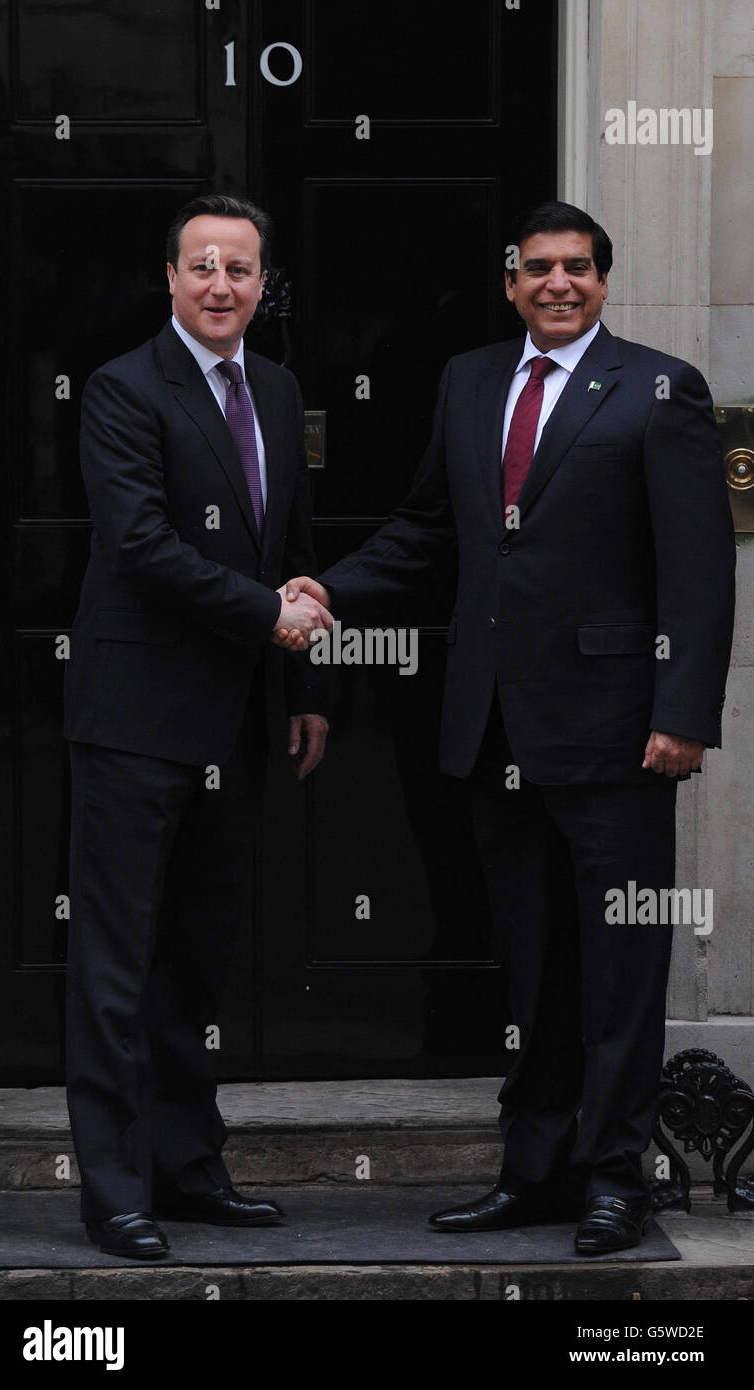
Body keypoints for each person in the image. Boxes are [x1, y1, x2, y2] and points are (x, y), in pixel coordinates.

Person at [277, 201, 736, 1254]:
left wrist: (683, 716)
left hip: (618, 735)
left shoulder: (660, 389)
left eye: (578, 268)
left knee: (618, 968)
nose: (558, 283)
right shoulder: (471, 381)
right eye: (539, 268)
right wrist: (328, 591)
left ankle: (615, 1179)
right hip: (494, 731)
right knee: (531, 966)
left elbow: (699, 573)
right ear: (510, 280)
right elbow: (430, 530)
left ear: (603, 281)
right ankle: (534, 1172)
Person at [64, 193, 332, 1260]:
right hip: (136, 718)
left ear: (264, 285)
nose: (222, 285)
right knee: (118, 964)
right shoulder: (123, 389)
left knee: (195, 963)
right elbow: (140, 544)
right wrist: (268, 613)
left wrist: (307, 685)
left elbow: (293, 542)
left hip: (239, 720)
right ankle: (115, 1187)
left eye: (242, 269)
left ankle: (186, 1166)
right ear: (169, 278)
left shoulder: (274, 385)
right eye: (203, 266)